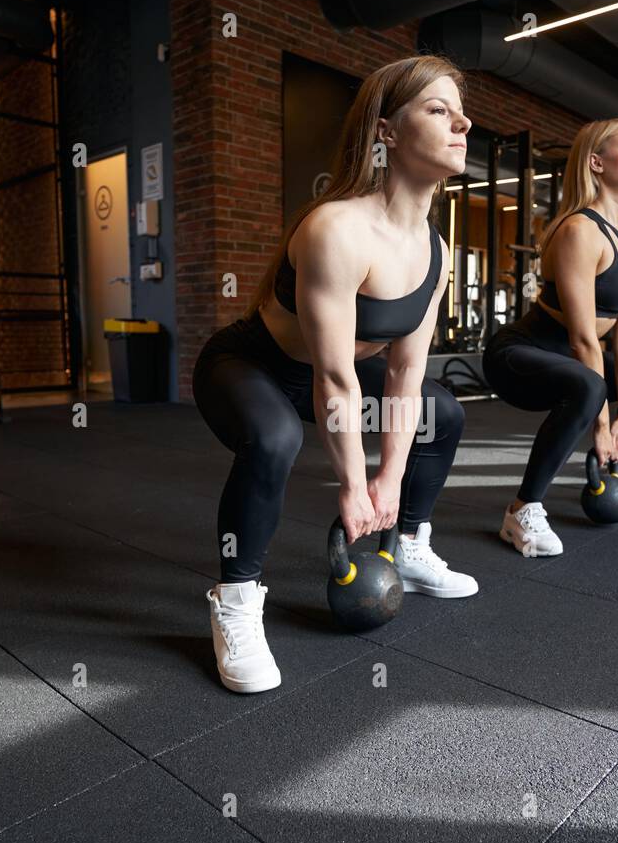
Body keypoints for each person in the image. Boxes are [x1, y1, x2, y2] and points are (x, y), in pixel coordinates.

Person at [192, 56, 479, 693]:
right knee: (275, 440)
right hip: (252, 366)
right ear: (386, 132)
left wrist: (391, 482)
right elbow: (335, 379)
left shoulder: (436, 250)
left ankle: (408, 542)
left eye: (460, 111)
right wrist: (354, 485)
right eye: (437, 109)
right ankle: (236, 602)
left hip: (343, 374)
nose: (462, 122)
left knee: (444, 410)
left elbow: (404, 374)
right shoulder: (337, 229)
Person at [483, 118, 618, 557]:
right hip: (522, 354)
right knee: (590, 383)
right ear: (596, 162)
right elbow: (582, 338)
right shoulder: (579, 230)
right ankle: (522, 510)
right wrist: (600, 424)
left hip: (577, 363)